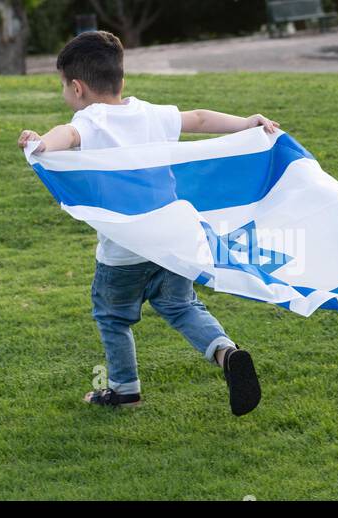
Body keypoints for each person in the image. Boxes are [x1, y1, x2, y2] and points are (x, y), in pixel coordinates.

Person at [19, 31, 279, 416]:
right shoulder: (151, 113)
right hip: (173, 242)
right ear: (120, 79)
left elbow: (68, 135)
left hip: (123, 254)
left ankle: (124, 389)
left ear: (77, 88)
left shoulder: (90, 121)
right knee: (182, 307)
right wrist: (245, 123)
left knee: (111, 316)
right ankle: (227, 354)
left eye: (62, 86)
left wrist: (41, 142)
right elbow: (200, 118)